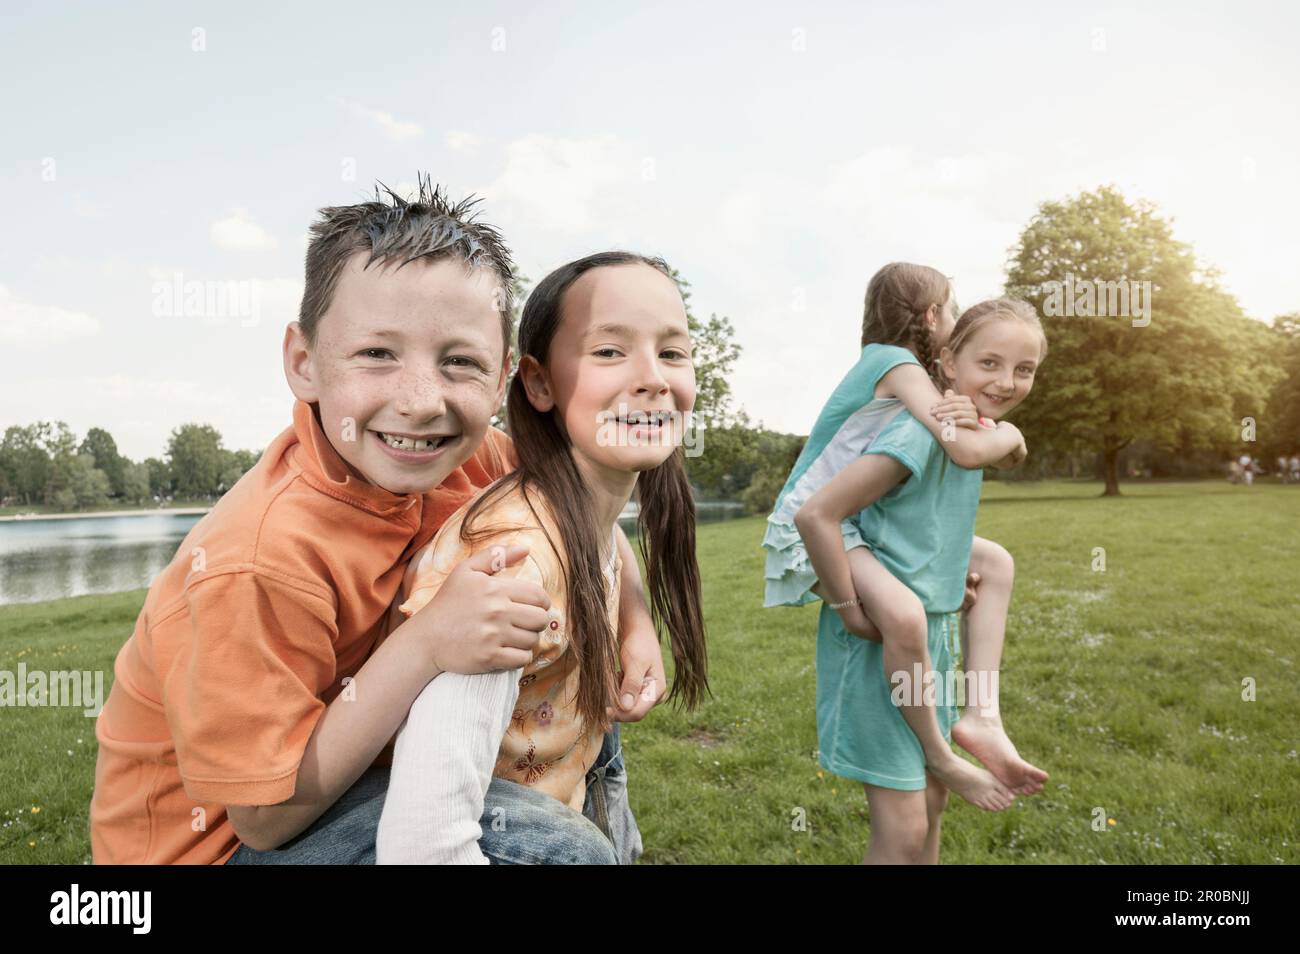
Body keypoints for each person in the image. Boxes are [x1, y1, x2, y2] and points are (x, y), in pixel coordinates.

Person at [90, 179, 665, 864]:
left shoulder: (471, 457)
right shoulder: (259, 559)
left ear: (503, 375)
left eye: (459, 361)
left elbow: (576, 510)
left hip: (357, 773)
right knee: (547, 846)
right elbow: (262, 820)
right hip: (225, 846)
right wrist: (426, 643)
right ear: (304, 363)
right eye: (376, 354)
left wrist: (633, 621)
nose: (421, 402)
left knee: (576, 685)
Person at [376, 251, 710, 863]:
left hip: (573, 800)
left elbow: (605, 540)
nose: (654, 378)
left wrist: (634, 616)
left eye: (672, 352)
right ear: (538, 383)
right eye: (609, 351)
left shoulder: (578, 508)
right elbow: (425, 846)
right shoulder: (514, 570)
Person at [763, 263, 1047, 807]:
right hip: (814, 525)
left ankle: (982, 715)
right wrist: (1011, 432)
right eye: (955, 309)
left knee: (996, 565)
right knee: (903, 617)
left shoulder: (891, 367)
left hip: (850, 518)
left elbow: (961, 431)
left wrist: (1004, 434)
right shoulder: (897, 363)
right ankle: (938, 753)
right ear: (934, 315)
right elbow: (960, 445)